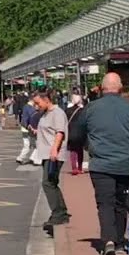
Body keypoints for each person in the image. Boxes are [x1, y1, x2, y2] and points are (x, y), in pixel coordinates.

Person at [70, 72, 129, 255]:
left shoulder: (91, 109)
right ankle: (118, 240)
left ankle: (108, 241)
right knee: (121, 203)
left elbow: (75, 135)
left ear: (101, 88)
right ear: (121, 88)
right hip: (127, 165)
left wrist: (86, 145)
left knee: (104, 203)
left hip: (101, 165)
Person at [35, 90, 71, 232]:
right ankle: (61, 212)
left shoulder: (57, 113)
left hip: (53, 154)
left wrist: (54, 149)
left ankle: (58, 214)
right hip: (47, 154)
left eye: (38, 103)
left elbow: (59, 132)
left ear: (46, 100)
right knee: (52, 183)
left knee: (48, 183)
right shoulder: (46, 114)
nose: (36, 106)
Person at [64, 94, 87, 175]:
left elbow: (65, 121)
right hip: (81, 133)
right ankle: (80, 168)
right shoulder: (84, 111)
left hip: (71, 132)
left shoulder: (67, 110)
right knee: (80, 150)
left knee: (73, 150)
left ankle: (74, 168)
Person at [15, 94, 40, 165]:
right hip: (29, 129)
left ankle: (22, 158)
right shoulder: (30, 108)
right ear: (33, 99)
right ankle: (33, 159)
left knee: (29, 145)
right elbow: (32, 118)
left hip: (25, 128)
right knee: (35, 145)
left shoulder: (26, 106)